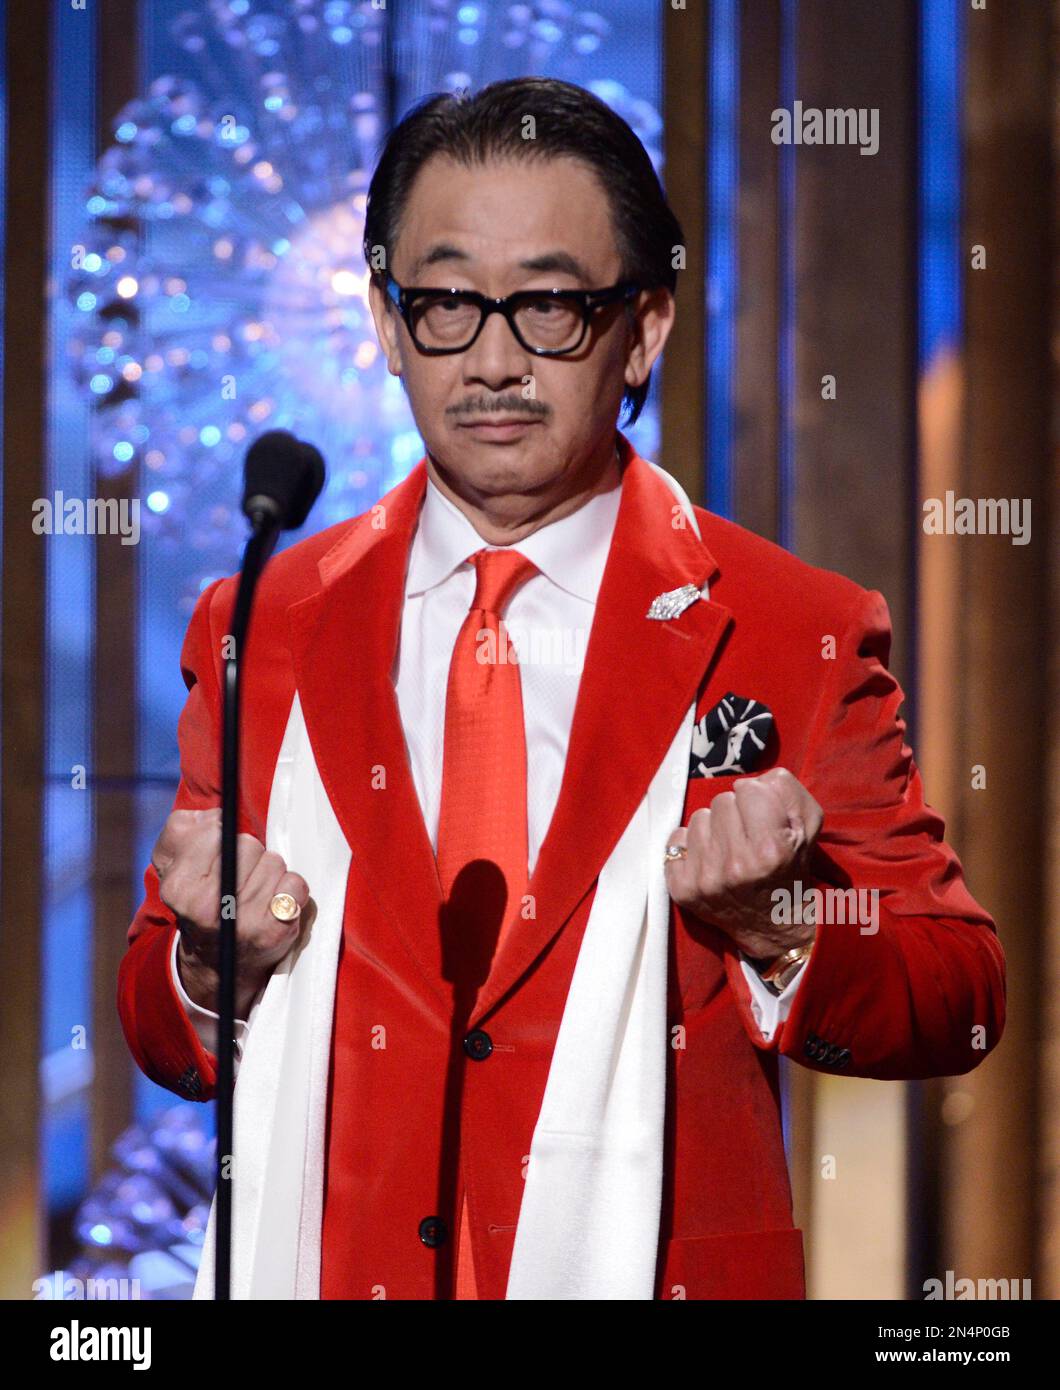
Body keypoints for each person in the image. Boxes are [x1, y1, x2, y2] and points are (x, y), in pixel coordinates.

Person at [117, 77, 1006, 1301]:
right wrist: (210, 968)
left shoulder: (790, 623)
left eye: (546, 307)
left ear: (643, 328)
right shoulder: (264, 621)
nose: (491, 359)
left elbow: (956, 996)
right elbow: (162, 1013)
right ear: (386, 321)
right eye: (444, 304)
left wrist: (782, 922)